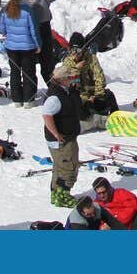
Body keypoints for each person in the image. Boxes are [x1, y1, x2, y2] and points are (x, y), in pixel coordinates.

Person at [39, 65, 84, 208]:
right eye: (70, 77)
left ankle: (56, 194)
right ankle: (63, 197)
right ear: (62, 79)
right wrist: (56, 133)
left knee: (59, 166)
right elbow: (47, 115)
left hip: (67, 137)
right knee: (68, 167)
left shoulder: (65, 91)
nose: (72, 79)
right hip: (63, 140)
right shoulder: (55, 96)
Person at [0, 0, 40, 106]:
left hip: (11, 47)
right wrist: (38, 44)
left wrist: (8, 33)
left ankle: (17, 99)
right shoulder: (28, 10)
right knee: (28, 73)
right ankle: (28, 99)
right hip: (27, 46)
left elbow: (1, 29)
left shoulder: (5, 10)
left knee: (14, 72)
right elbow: (33, 30)